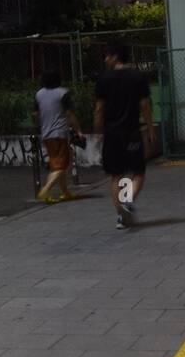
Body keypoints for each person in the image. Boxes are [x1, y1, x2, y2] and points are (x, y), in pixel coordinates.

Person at [94, 42, 155, 230]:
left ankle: (121, 216)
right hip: (132, 132)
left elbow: (99, 109)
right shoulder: (137, 77)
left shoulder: (104, 79)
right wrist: (151, 128)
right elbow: (144, 105)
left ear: (115, 56)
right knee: (138, 172)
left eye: (107, 55)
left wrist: (98, 132)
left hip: (111, 134)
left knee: (116, 175)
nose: (105, 59)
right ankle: (127, 201)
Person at [34, 70, 83, 203]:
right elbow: (70, 114)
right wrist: (78, 130)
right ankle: (46, 189)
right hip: (59, 132)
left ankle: (65, 192)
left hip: (46, 133)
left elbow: (36, 114)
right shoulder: (63, 93)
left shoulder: (39, 94)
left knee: (57, 163)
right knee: (63, 165)